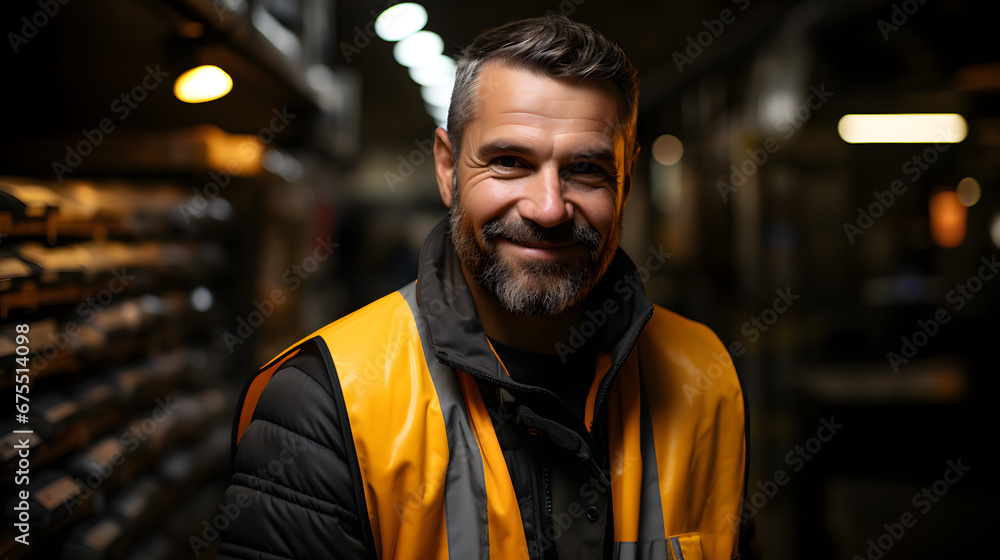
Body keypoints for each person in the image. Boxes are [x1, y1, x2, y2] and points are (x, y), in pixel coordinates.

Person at [216, 13, 753, 560]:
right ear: (447, 169)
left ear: (627, 180)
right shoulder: (323, 403)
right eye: (509, 162)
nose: (548, 209)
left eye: (586, 169)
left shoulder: (705, 378)